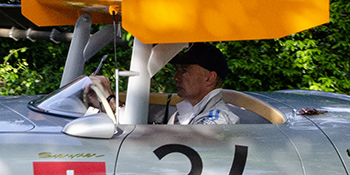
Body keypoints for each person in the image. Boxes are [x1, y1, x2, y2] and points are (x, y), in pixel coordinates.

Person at [88, 42, 239, 125]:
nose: (176, 77)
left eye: (184, 71)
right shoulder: (185, 113)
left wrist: (112, 103)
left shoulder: (218, 121)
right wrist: (105, 104)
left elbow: (183, 148)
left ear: (210, 78)